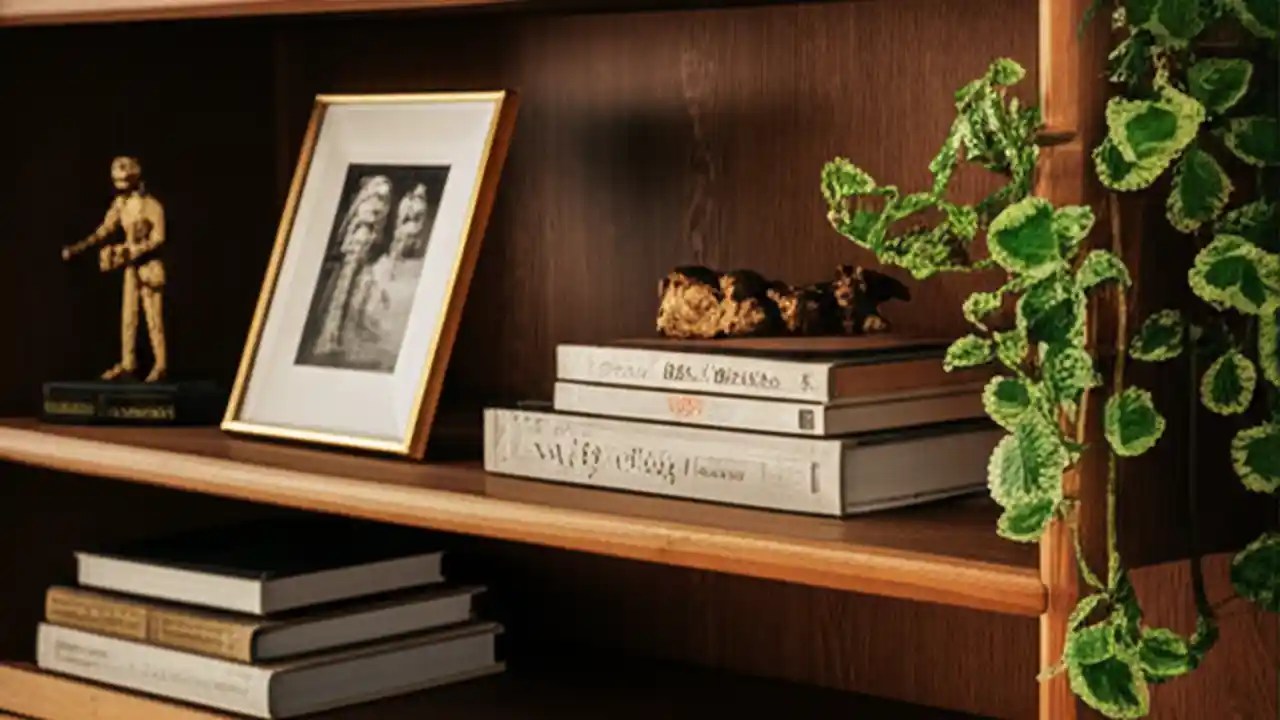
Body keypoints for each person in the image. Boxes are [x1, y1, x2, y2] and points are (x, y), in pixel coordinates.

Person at [62, 156, 168, 382]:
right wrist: (79, 247)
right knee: (128, 317)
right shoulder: (121, 205)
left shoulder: (152, 206)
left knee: (153, 318)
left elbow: (158, 238)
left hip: (148, 267)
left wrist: (134, 250)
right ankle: (128, 362)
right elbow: (104, 229)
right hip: (130, 267)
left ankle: (160, 364)